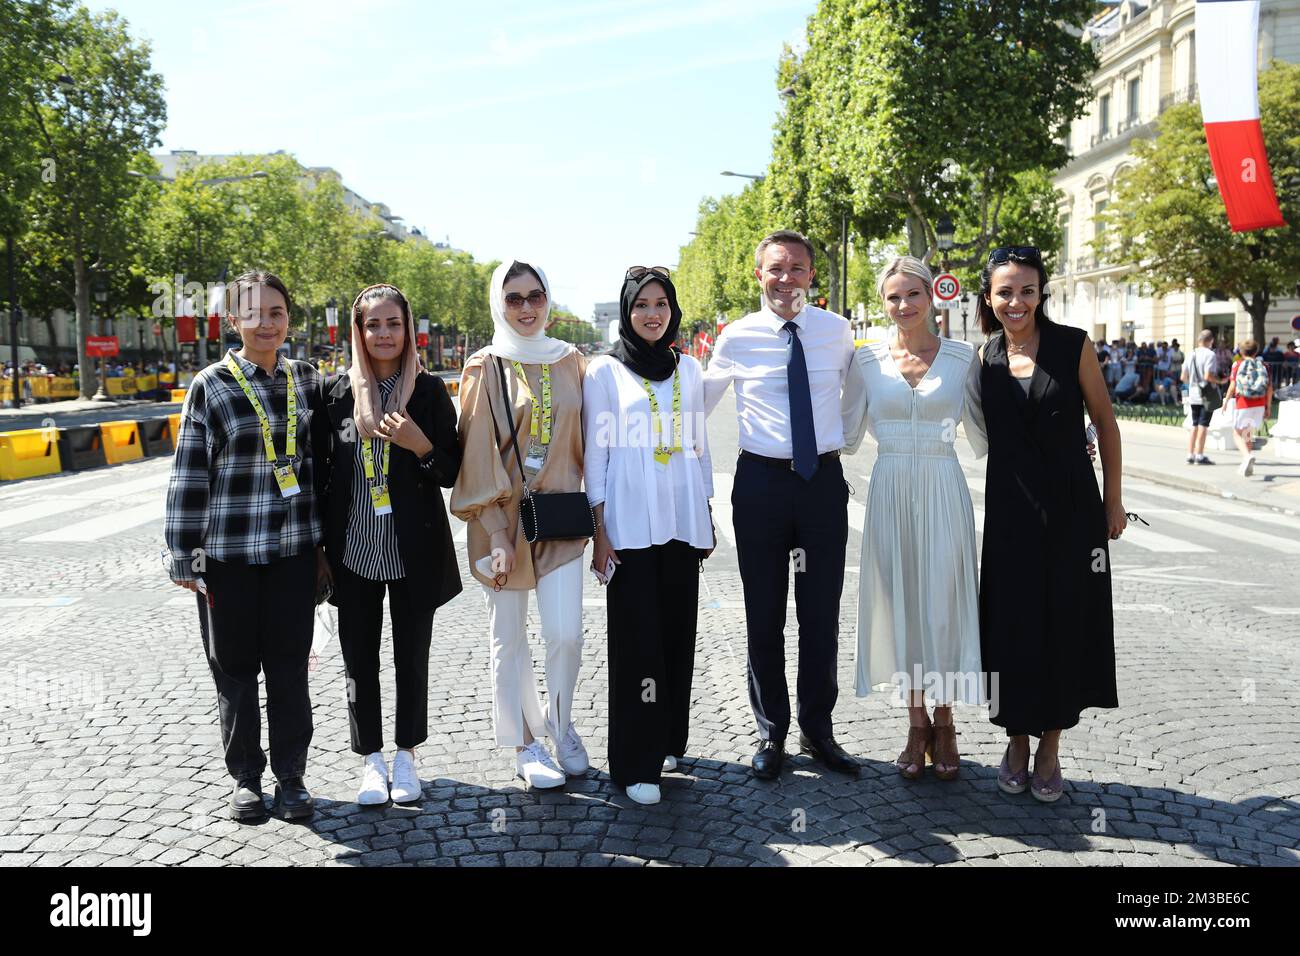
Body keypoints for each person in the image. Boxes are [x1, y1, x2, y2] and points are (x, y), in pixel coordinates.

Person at [163, 270, 330, 822]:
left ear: (288, 319)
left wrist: (327, 549)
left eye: (276, 312)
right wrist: (184, 552)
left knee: (289, 669)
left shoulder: (307, 380)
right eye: (253, 313)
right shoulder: (209, 385)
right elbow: (189, 474)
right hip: (228, 557)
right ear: (232, 321)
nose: (266, 323)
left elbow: (324, 468)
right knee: (233, 669)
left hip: (293, 552)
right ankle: (246, 779)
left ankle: (292, 777)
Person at [703, 229, 859, 780]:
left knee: (821, 616)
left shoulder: (838, 333)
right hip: (760, 487)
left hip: (821, 485)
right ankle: (772, 731)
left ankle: (820, 730)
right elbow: (694, 404)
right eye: (775, 268)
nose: (785, 277)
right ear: (758, 275)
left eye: (796, 268)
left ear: (811, 276)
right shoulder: (736, 337)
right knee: (763, 615)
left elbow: (867, 391)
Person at [974, 246, 1124, 803]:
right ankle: (1015, 740)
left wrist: (1113, 503)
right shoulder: (983, 355)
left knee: (1066, 622)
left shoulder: (1072, 345)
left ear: (1042, 293)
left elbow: (1106, 425)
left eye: (1028, 290)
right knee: (1010, 625)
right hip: (1009, 514)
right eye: (1005, 291)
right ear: (988, 296)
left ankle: (1051, 747)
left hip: (1072, 513)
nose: (1017, 301)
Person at [841, 256, 985, 782]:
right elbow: (842, 431)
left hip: (945, 489)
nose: (903, 306)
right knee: (902, 607)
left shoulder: (964, 357)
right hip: (890, 491)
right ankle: (915, 723)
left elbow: (996, 429)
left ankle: (946, 722)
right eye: (893, 297)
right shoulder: (866, 361)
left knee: (942, 608)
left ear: (932, 297)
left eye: (913, 295)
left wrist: (1070, 436)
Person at [319, 284, 462, 806]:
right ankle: (370, 759)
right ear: (358, 332)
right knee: (358, 658)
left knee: (411, 656)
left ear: (408, 330)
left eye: (393, 324)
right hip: (352, 549)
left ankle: (406, 755)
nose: (383, 334)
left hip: (412, 549)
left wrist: (419, 443)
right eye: (372, 325)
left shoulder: (429, 392)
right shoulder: (335, 393)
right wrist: (317, 550)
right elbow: (319, 478)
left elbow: (451, 471)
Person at [450, 260, 590, 790]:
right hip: (502, 521)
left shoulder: (572, 361)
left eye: (536, 296)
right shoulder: (485, 366)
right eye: (514, 298)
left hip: (561, 520)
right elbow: (475, 453)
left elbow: (590, 444)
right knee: (508, 638)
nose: (527, 308)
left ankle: (561, 723)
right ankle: (524, 743)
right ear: (499, 304)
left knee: (566, 635)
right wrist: (497, 529)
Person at [584, 267, 715, 805]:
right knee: (638, 642)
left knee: (677, 633)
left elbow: (700, 446)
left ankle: (666, 740)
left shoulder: (689, 368)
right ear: (626, 312)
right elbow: (596, 455)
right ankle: (633, 762)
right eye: (641, 305)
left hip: (682, 522)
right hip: (631, 526)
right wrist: (600, 531)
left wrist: (705, 517)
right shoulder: (603, 372)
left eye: (661, 304)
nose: (652, 314)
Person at [1223, 338, 1273, 477]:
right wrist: (1268, 407)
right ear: (1256, 351)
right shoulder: (1264, 365)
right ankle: (1248, 465)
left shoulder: (1237, 365)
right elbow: (1269, 389)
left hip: (1243, 403)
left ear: (1240, 352)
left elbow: (1233, 386)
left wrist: (1226, 401)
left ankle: (1246, 457)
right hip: (1259, 403)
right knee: (1248, 433)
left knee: (1237, 433)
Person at [1180, 329, 1227, 465]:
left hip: (1193, 393)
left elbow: (1183, 377)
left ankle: (1190, 454)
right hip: (1206, 394)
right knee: (1203, 425)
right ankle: (1199, 455)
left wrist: (1193, 384)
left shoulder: (1191, 354)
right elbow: (1208, 376)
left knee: (1194, 424)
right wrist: (1220, 381)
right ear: (1210, 341)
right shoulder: (1210, 355)